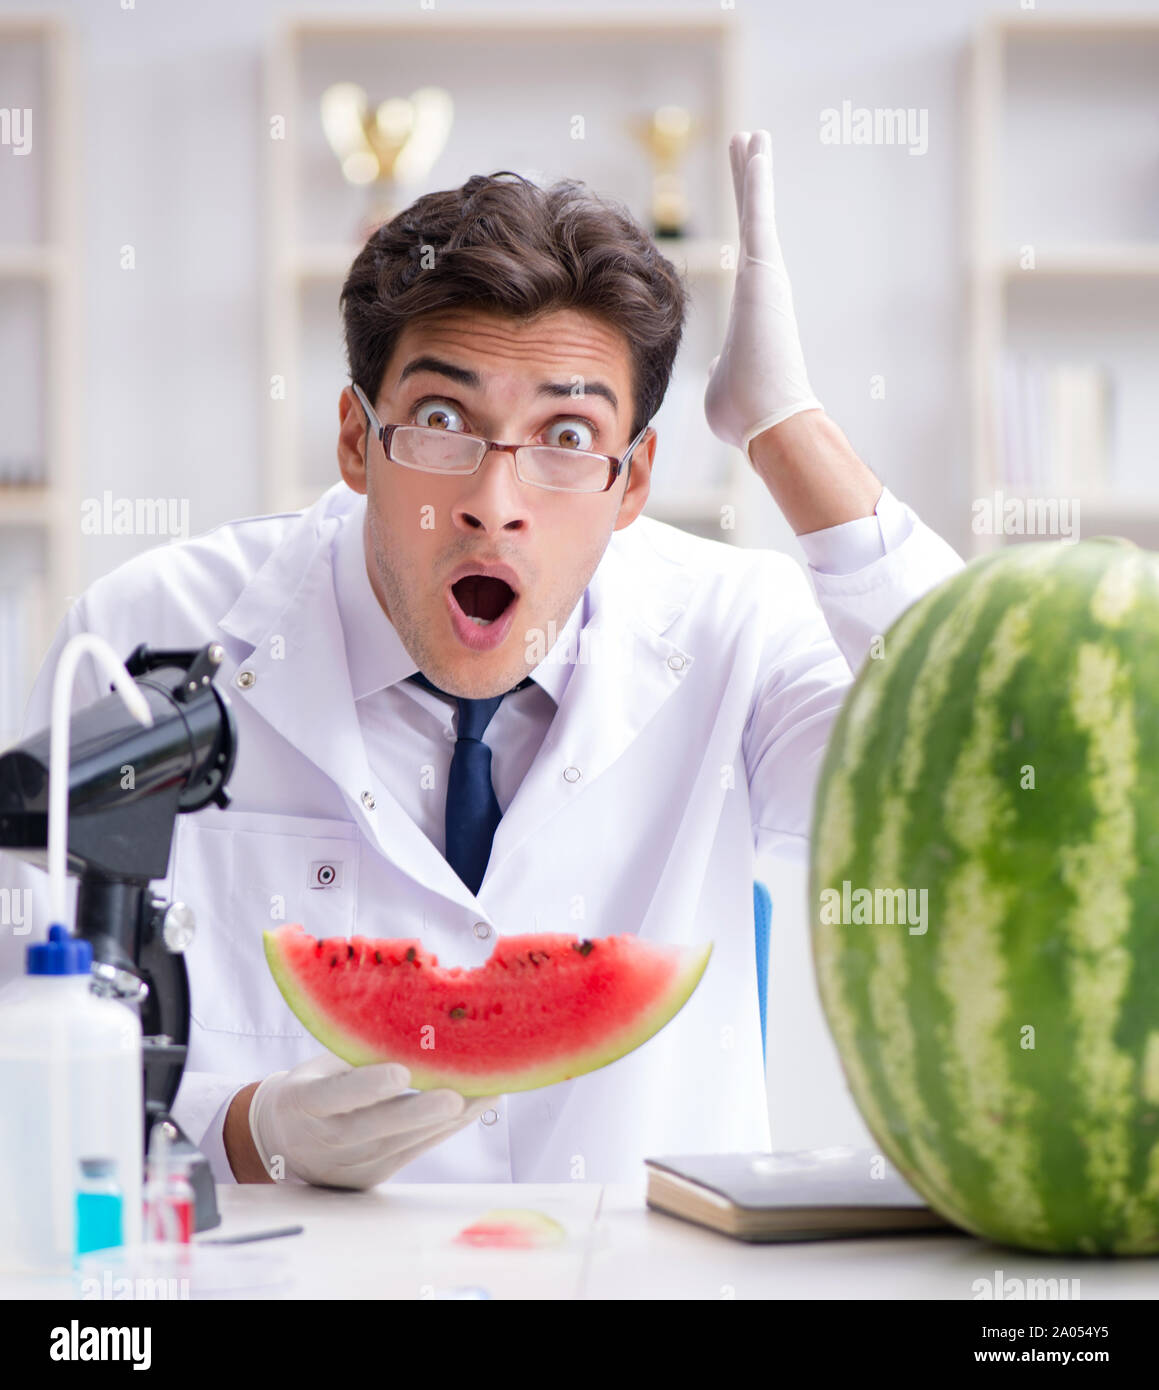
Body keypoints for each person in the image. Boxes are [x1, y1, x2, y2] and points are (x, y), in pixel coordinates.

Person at [0, 131, 963, 1190]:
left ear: (633, 480)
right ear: (358, 442)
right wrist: (242, 1130)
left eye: (565, 434)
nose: (493, 505)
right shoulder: (146, 635)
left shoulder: (738, 629)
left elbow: (984, 760)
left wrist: (785, 427)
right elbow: (24, 1030)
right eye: (443, 420)